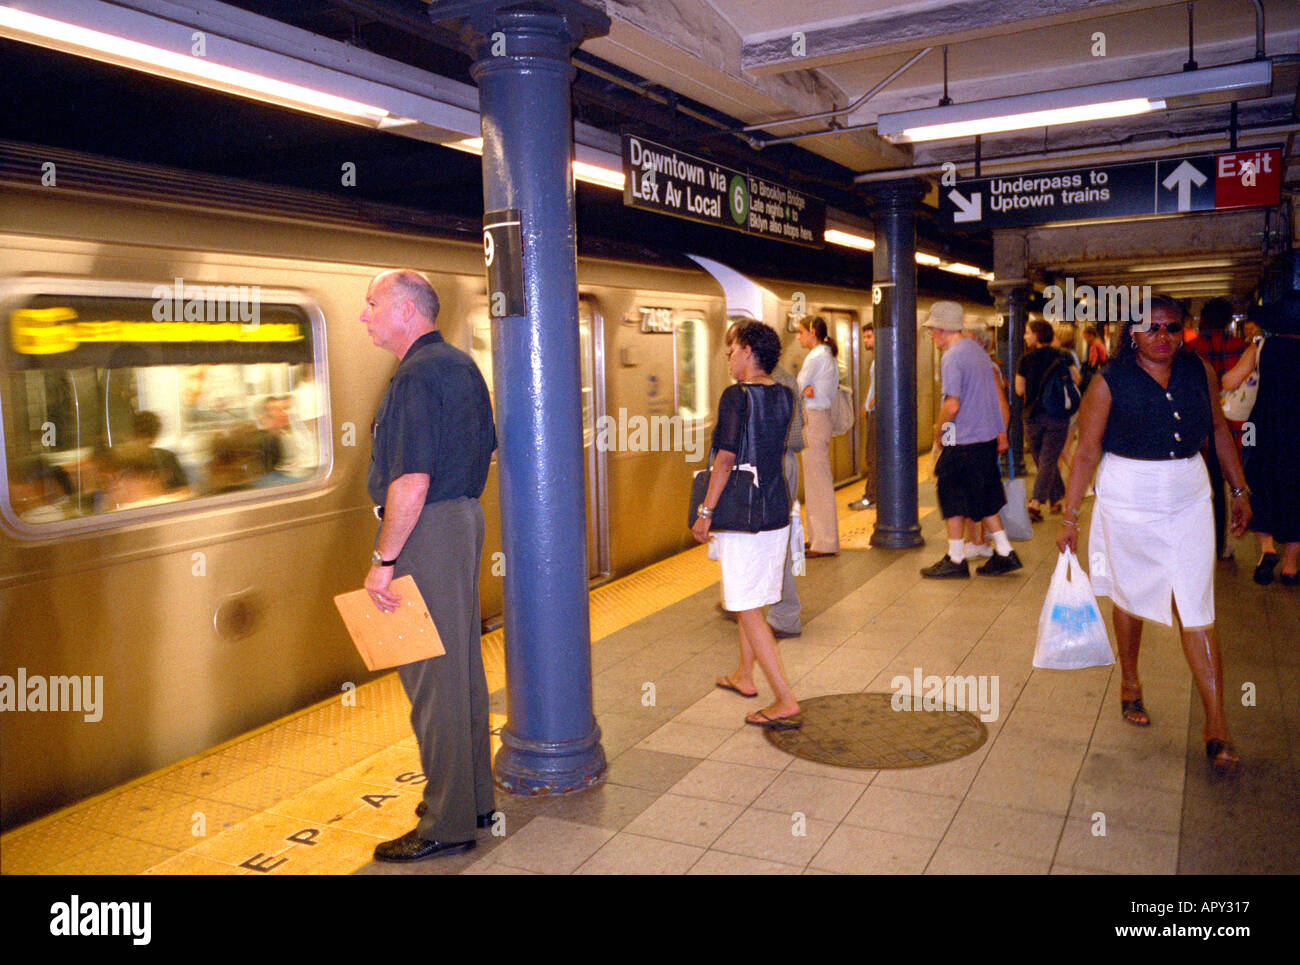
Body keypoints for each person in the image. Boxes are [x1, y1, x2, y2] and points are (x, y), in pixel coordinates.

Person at [1056, 294, 1248, 775]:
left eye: (1171, 328)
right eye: (1151, 328)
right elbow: (1086, 453)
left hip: (1187, 494)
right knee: (1130, 594)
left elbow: (1220, 432)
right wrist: (1070, 516)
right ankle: (1130, 681)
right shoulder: (1108, 382)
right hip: (1128, 497)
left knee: (1196, 604)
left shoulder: (1198, 371)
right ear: (1132, 333)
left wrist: (1239, 488)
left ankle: (1217, 723)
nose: (1163, 337)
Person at [361, 269, 498, 861]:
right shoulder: (461, 365)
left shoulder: (415, 377)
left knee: (431, 681)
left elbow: (410, 482)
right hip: (461, 519)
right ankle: (473, 798)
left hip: (425, 531)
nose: (364, 316)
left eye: (371, 305)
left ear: (406, 311)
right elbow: (487, 448)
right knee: (461, 667)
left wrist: (383, 561)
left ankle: (446, 823)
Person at [693, 320, 802, 729]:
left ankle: (785, 700)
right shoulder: (784, 395)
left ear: (749, 350)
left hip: (744, 513)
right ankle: (744, 675)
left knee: (745, 606)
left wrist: (705, 512)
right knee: (750, 599)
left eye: (731, 350)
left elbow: (724, 460)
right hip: (776, 509)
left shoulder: (736, 397)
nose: (728, 357)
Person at [920, 302, 1021, 578]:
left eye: (932, 331)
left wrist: (940, 434)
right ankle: (1004, 552)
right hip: (984, 439)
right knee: (984, 497)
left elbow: (952, 405)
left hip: (963, 441)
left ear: (941, 330)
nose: (931, 336)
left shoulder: (952, 357)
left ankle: (955, 560)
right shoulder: (978, 352)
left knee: (951, 495)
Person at [1221, 291, 1300, 586]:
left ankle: (1266, 548)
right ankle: (1291, 567)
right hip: (1296, 433)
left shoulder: (1261, 346)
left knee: (1257, 479)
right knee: (1296, 489)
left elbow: (1231, 380)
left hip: (1259, 428)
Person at [1188, 298, 1248, 561]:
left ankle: (1198, 544)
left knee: (1199, 490)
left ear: (1203, 320)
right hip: (1231, 427)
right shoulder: (1242, 348)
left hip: (1197, 427)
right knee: (1223, 491)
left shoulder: (1188, 350)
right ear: (1227, 320)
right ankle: (1221, 544)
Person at [1016, 320, 1080, 520]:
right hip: (1057, 416)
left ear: (1036, 335)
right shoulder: (1063, 356)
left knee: (1043, 459)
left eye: (1027, 333)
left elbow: (1019, 390)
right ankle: (1056, 496)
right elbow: (1076, 379)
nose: (1025, 336)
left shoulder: (1025, 360)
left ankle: (1035, 503)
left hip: (1032, 417)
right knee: (1048, 460)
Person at [961, 320, 1011, 559]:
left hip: (979, 439)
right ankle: (977, 542)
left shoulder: (987, 368)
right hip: (969, 439)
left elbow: (1002, 403)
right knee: (968, 490)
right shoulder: (969, 366)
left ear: (980, 343)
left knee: (975, 491)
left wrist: (1002, 435)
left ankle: (984, 543)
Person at [795, 315, 840, 557]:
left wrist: (805, 390)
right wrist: (806, 390)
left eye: (801, 332)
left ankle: (824, 542)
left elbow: (797, 385)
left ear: (813, 332)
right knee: (815, 483)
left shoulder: (816, 356)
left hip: (814, 420)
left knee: (818, 484)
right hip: (819, 419)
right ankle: (817, 538)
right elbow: (803, 388)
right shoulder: (827, 356)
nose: (799, 337)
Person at [848, 322, 876, 512]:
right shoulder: (877, 359)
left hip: (877, 413)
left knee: (873, 456)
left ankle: (871, 497)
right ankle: (873, 495)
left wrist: (870, 404)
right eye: (864, 337)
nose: (865, 341)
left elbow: (881, 387)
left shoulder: (882, 358)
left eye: (869, 337)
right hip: (873, 411)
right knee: (872, 455)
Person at [130, 411, 189, 492]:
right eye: (143, 435)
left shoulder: (167, 458)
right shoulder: (126, 462)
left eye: (149, 435)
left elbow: (184, 490)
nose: (146, 441)